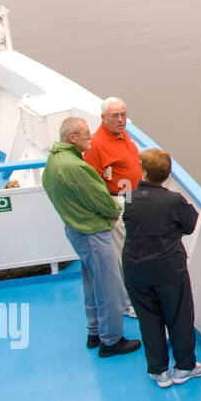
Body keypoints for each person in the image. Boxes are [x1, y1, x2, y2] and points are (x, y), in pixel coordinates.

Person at [43, 116, 140, 358]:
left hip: (76, 230)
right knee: (109, 286)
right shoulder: (77, 167)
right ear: (72, 138)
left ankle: (94, 331)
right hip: (93, 232)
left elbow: (49, 187)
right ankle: (111, 340)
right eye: (86, 133)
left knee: (91, 282)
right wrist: (115, 212)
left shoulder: (55, 160)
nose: (91, 137)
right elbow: (101, 199)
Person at [122, 147, 201, 388]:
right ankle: (184, 367)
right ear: (167, 174)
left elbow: (128, 219)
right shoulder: (173, 200)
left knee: (148, 319)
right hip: (169, 270)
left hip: (135, 269)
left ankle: (159, 371)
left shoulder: (129, 196)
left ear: (143, 171)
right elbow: (190, 224)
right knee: (179, 317)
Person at [83, 96, 140, 319]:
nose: (120, 120)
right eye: (115, 116)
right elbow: (91, 180)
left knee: (133, 250)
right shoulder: (97, 144)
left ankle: (136, 294)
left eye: (123, 115)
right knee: (122, 254)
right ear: (103, 118)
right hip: (117, 204)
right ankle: (127, 302)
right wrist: (109, 209)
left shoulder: (121, 134)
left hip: (132, 200)